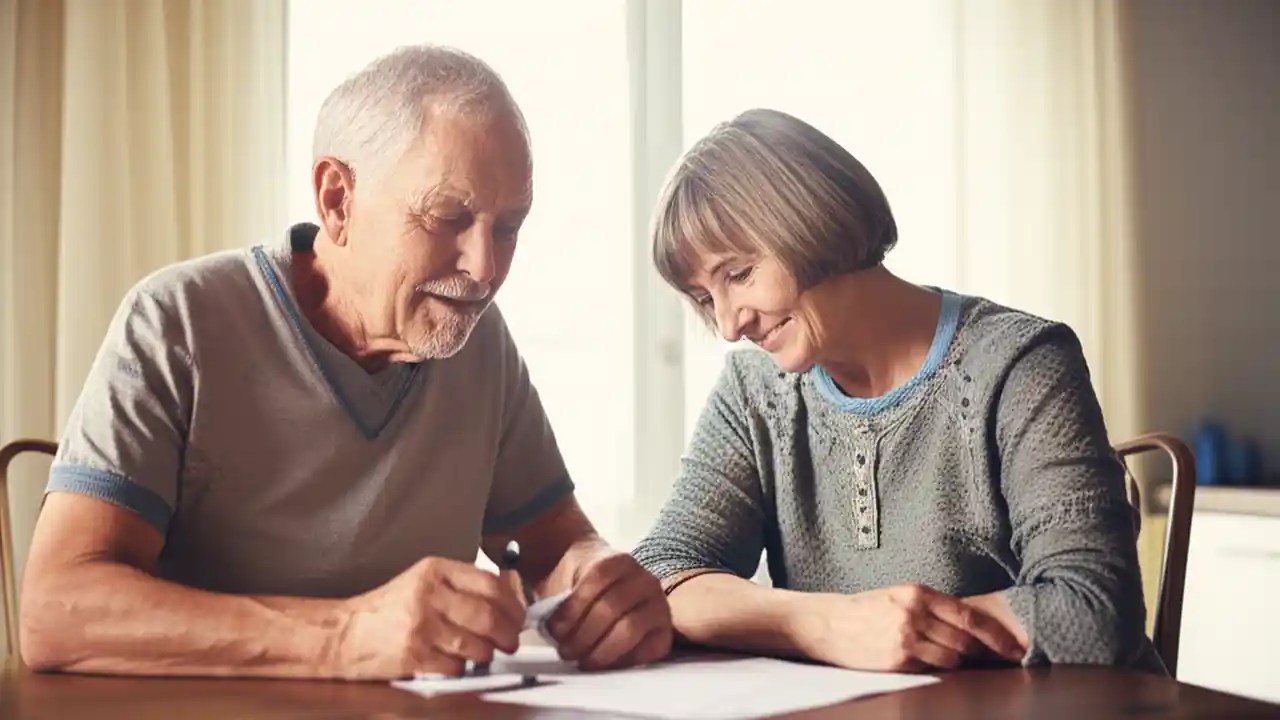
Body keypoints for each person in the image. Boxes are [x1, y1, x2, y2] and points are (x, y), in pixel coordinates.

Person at [20, 45, 671, 680]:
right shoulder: (176, 321)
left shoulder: (479, 342)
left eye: (508, 227)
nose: (487, 268)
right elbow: (57, 611)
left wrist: (598, 581)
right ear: (337, 200)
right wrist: (348, 636)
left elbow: (554, 548)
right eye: (449, 216)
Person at [631, 108, 1164, 674]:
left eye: (738, 275)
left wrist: (902, 631)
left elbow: (1092, 609)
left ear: (813, 222)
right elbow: (665, 572)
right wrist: (828, 626)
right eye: (704, 297)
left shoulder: (1020, 363)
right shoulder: (753, 390)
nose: (730, 324)